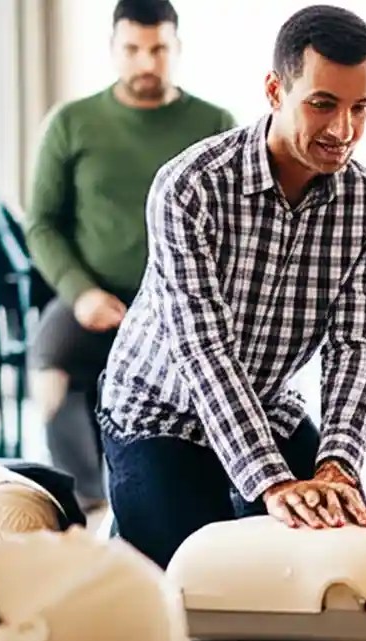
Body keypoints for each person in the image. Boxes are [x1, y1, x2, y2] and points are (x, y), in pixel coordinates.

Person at [98, 5, 366, 569]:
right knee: (206, 573)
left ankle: (207, 508)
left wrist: (337, 466)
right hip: (158, 413)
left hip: (268, 409)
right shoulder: (189, 188)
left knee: (340, 559)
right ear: (274, 91)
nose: (343, 130)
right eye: (322, 104)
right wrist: (272, 483)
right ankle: (132, 524)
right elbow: (203, 352)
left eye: (361, 108)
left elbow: (362, 348)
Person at [26, 0, 236, 512]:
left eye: (159, 49)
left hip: (182, 301)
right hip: (96, 297)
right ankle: (85, 502)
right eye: (133, 49)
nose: (147, 62)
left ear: (177, 49)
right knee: (49, 361)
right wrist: (81, 294)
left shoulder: (215, 122)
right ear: (113, 50)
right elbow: (43, 224)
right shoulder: (72, 123)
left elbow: (235, 225)